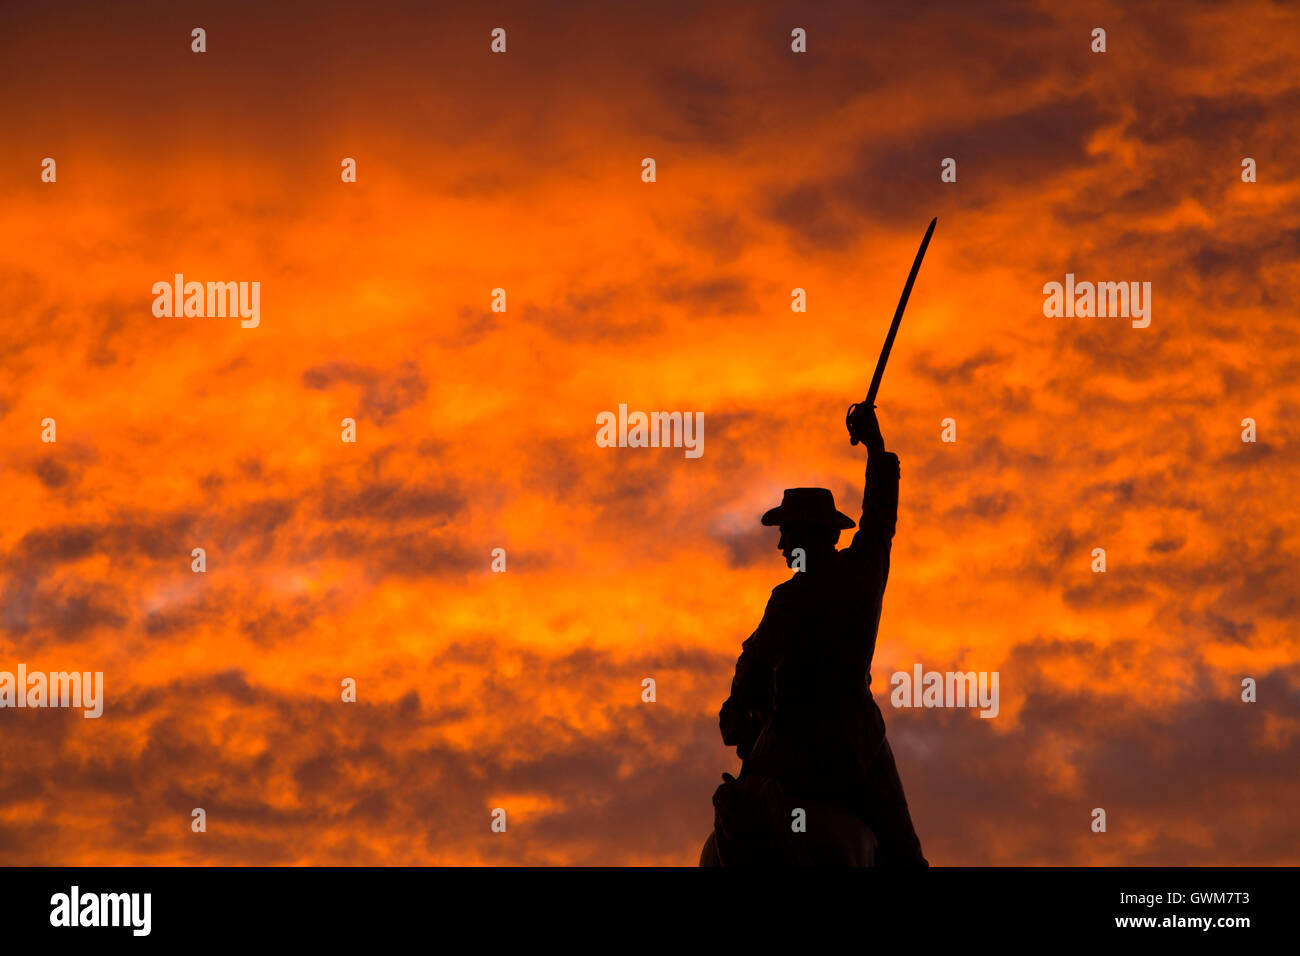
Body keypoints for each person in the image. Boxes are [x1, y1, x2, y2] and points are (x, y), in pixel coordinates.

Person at [710, 404, 927, 866]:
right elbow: (880, 520)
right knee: (905, 856)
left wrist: (736, 711)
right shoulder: (860, 575)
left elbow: (752, 663)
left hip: (790, 741)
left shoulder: (788, 600)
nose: (782, 546)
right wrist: (875, 446)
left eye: (787, 534)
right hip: (854, 739)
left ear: (808, 537)